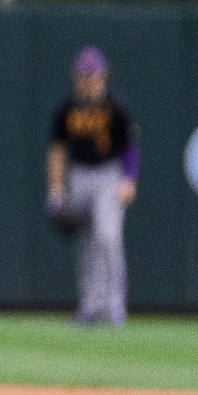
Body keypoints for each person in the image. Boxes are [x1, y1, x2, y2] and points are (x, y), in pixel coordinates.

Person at [47, 46, 139, 327]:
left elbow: (130, 146)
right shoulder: (68, 108)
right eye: (83, 74)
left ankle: (114, 305)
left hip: (109, 175)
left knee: (108, 237)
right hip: (80, 175)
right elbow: (58, 150)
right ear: (75, 76)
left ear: (103, 74)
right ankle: (89, 305)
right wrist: (55, 189)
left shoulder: (116, 106)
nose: (88, 79)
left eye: (93, 73)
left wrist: (129, 179)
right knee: (87, 242)